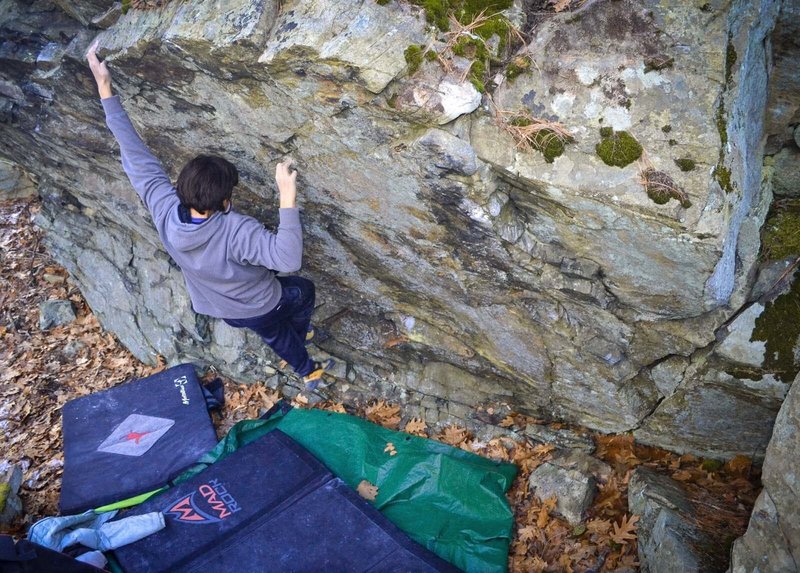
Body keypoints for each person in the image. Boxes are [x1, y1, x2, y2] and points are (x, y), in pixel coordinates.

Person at [86, 41, 333, 389]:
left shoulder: (166, 210)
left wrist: (105, 86)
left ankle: (292, 345)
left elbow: (134, 155)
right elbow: (288, 259)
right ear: (225, 202)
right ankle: (306, 367)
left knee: (270, 329)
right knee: (300, 294)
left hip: (221, 308)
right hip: (260, 304)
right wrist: (287, 197)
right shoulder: (236, 229)